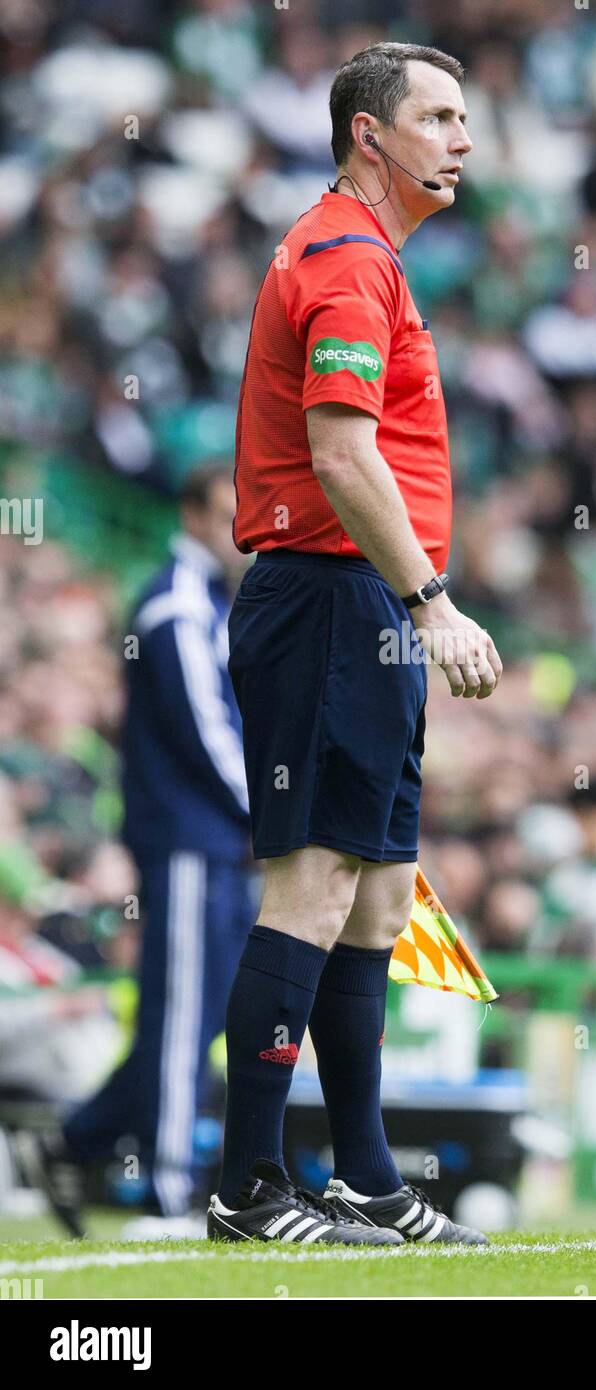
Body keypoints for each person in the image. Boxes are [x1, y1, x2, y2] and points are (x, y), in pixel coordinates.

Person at [209, 42, 502, 1248]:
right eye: (437, 116)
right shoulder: (340, 255)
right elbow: (340, 454)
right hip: (332, 599)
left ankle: (369, 1178)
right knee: (317, 883)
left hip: (359, 607)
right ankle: (246, 1185)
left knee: (379, 898)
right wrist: (431, 601)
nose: (461, 138)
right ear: (367, 137)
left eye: (465, 117)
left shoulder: (367, 257)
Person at [20, 465, 253, 1237]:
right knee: (187, 1014)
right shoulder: (177, 605)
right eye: (226, 512)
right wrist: (268, 810)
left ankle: (73, 1141)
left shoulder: (209, 603)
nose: (238, 531)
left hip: (214, 842)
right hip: (189, 840)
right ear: (190, 513)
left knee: (189, 1016)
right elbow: (205, 731)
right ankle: (167, 1191)